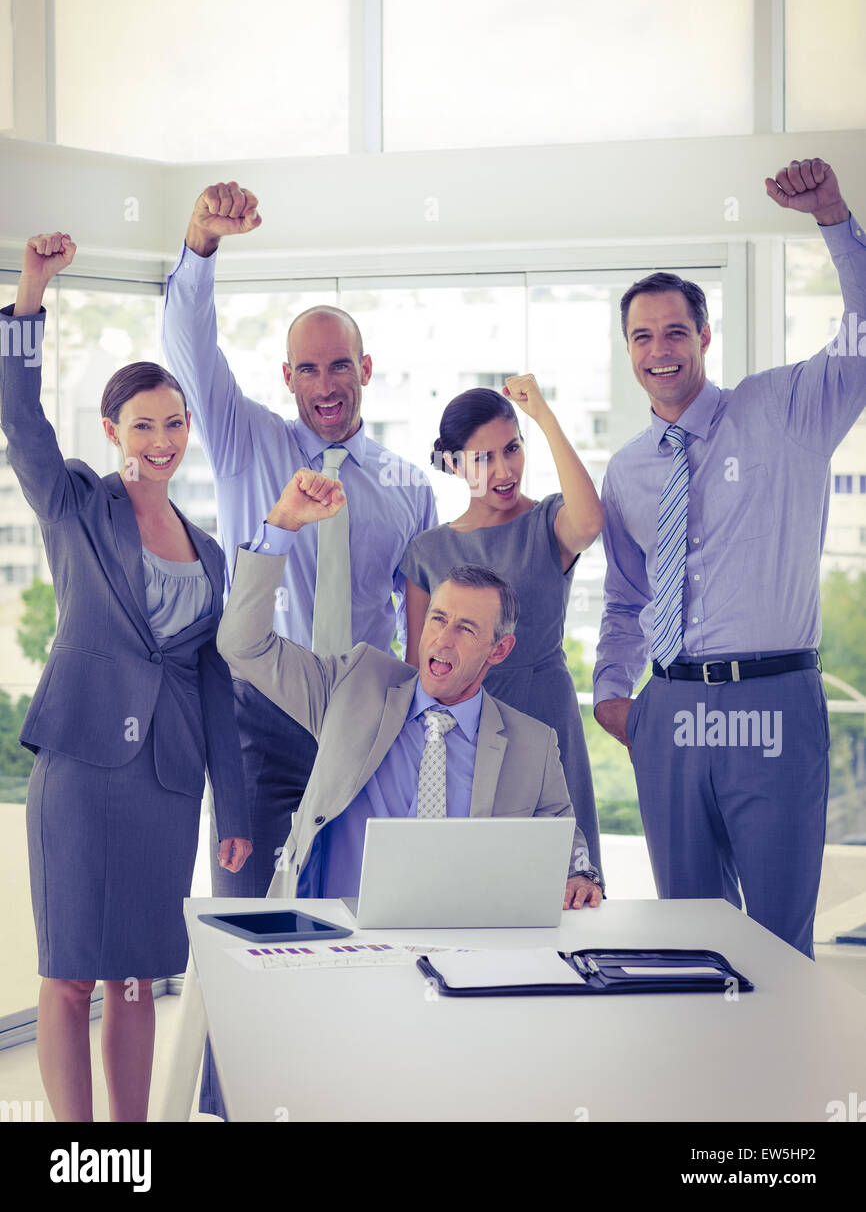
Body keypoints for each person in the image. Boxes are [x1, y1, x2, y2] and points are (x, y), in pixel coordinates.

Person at [0, 232, 251, 1123]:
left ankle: (129, 1148)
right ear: (113, 432)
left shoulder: (210, 553)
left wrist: (234, 808)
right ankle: (77, 1153)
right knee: (70, 974)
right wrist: (32, 291)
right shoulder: (76, 504)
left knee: (139, 978)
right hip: (79, 769)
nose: (162, 439)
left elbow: (215, 684)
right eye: (143, 424)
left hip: (167, 784)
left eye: (173, 423)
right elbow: (19, 415)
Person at [592, 158, 866, 958]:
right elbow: (625, 598)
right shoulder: (627, 470)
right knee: (689, 941)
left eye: (676, 331)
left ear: (704, 337)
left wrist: (833, 219)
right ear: (628, 349)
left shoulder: (785, 410)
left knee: (776, 946)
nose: (660, 350)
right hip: (669, 710)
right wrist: (613, 695)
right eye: (642, 336)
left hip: (774, 703)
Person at [161, 180, 437, 901]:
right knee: (249, 913)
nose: (326, 383)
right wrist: (201, 244)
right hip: (259, 710)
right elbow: (190, 347)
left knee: (361, 912)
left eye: (340, 364)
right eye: (308, 369)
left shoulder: (409, 487)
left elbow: (420, 624)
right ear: (287, 377)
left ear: (365, 369)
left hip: (362, 714)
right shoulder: (243, 442)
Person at [220, 465, 604, 910]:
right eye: (438, 618)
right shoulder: (353, 684)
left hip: (458, 937)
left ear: (499, 650)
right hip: (335, 932)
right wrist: (283, 524)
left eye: (466, 629)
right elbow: (243, 646)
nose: (442, 639)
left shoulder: (532, 744)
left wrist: (581, 874)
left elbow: (565, 839)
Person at [398, 378, 604, 882]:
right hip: (458, 730)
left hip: (545, 710)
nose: (504, 471)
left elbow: (590, 523)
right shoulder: (426, 551)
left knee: (561, 877)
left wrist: (544, 416)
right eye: (483, 458)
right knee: (468, 883)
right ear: (454, 464)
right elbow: (417, 665)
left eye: (512, 448)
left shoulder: (549, 522)